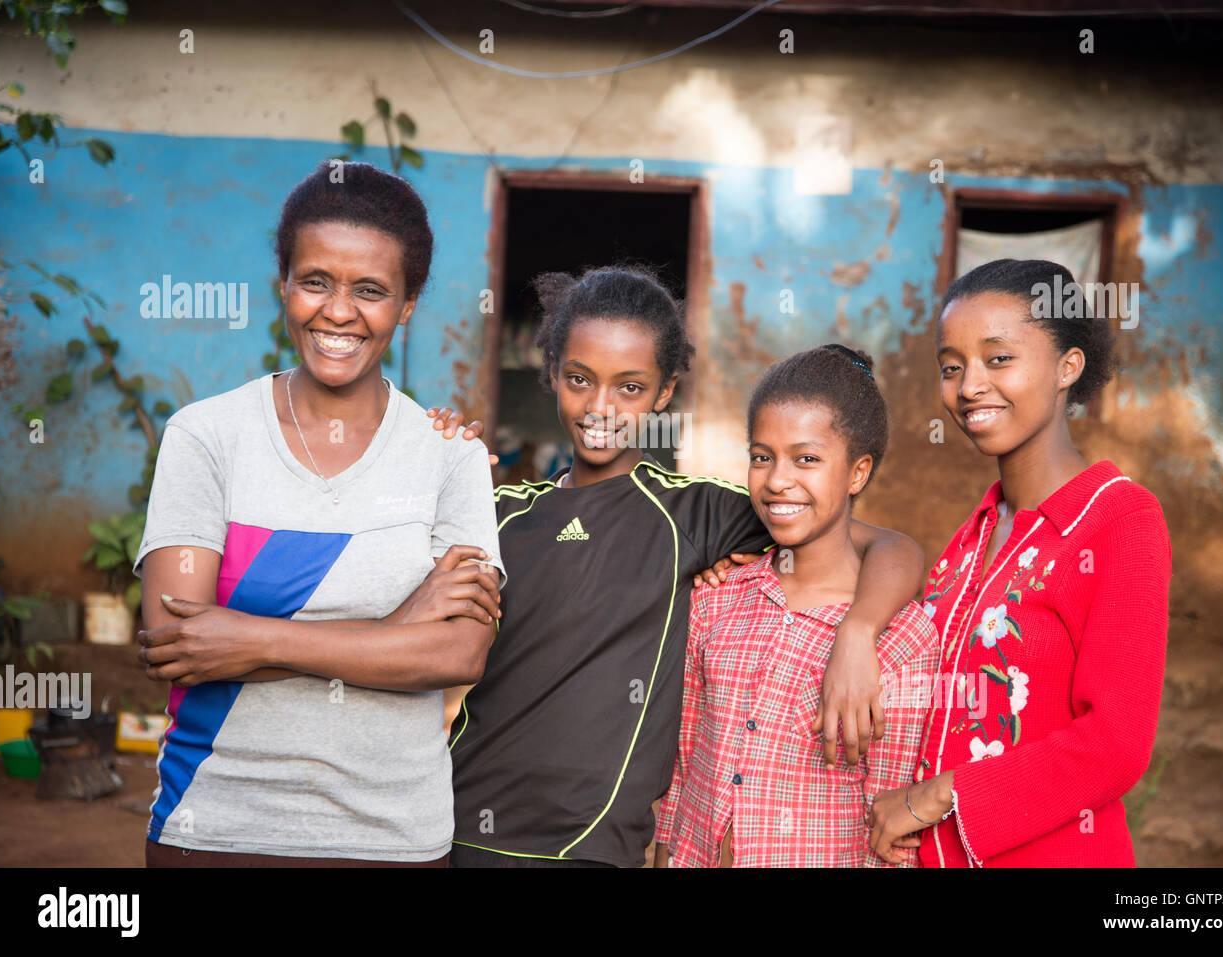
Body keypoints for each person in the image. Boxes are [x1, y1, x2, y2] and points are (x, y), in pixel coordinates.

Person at [445, 266, 925, 868]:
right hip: (458, 825)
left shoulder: (694, 513)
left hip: (592, 845)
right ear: (551, 374)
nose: (601, 407)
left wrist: (859, 630)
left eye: (630, 387)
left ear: (665, 392)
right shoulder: (501, 514)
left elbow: (889, 546)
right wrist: (434, 469)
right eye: (579, 379)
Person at [133, 160, 505, 866]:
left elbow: (459, 652)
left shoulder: (449, 458)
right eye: (315, 282)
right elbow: (176, 640)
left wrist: (253, 640)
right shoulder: (206, 436)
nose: (338, 311)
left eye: (370, 290)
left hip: (395, 837)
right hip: (214, 827)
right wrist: (399, 628)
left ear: (409, 304)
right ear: (284, 285)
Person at [867, 258, 1172, 867]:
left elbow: (1116, 743)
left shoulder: (1121, 520)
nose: (970, 386)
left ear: (1068, 366)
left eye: (998, 358)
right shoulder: (973, 537)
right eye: (952, 368)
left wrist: (937, 795)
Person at [654, 345, 939, 867]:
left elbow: (891, 822)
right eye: (762, 456)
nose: (778, 479)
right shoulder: (715, 600)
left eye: (807, 458)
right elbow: (683, 766)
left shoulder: (902, 636)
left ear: (857, 473)